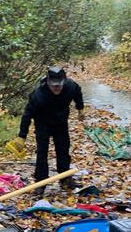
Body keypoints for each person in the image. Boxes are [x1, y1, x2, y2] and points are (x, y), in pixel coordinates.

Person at [8, 66, 84, 194]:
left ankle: (64, 178)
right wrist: (22, 136)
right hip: (43, 124)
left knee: (63, 149)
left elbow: (78, 93)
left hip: (61, 123)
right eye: (54, 85)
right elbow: (27, 115)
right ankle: (41, 181)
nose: (57, 88)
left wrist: (80, 108)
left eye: (59, 85)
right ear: (48, 83)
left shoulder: (71, 86)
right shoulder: (38, 95)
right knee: (42, 152)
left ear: (64, 82)